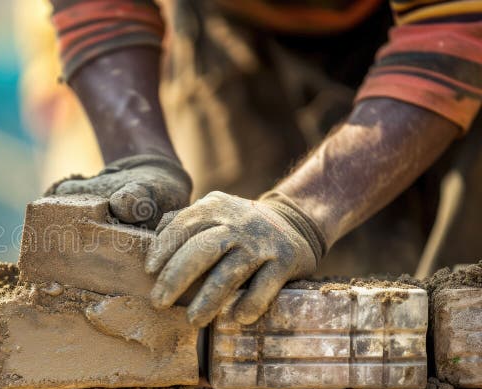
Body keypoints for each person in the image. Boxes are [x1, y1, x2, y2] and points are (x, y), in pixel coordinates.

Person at [45, 0, 482, 327]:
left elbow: (455, 27)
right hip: (229, 27)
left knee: (449, 308)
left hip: (415, 32)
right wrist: (139, 155)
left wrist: (303, 214)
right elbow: (98, 8)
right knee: (225, 291)